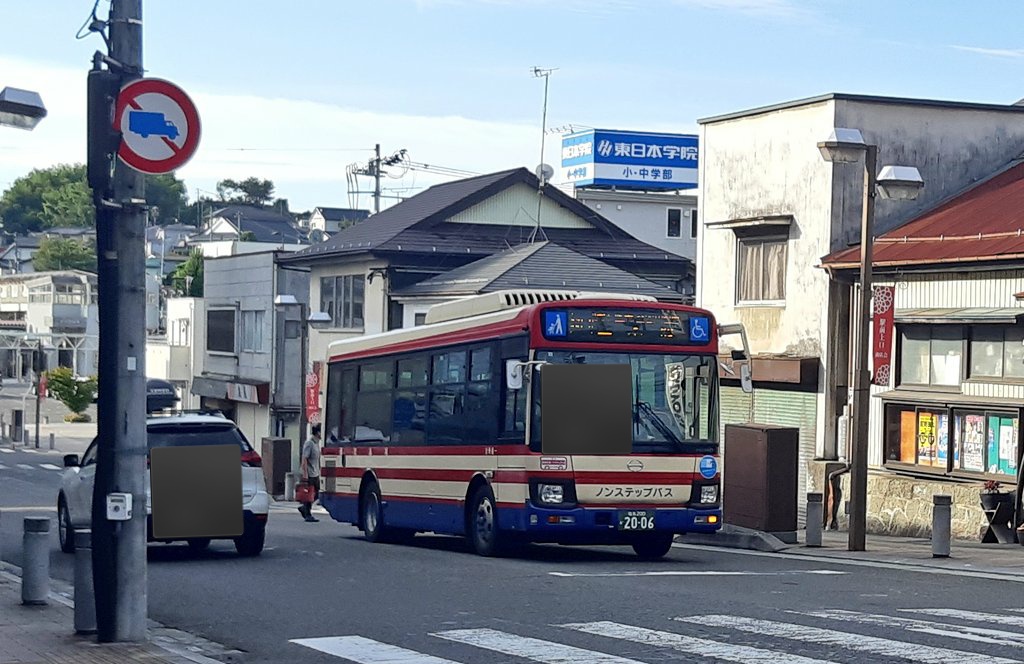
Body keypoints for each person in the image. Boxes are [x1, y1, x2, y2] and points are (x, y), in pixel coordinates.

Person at [299, 424, 322, 522]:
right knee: (309, 494)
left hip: (315, 472)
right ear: (318, 433)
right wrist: (305, 473)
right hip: (309, 472)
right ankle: (307, 513)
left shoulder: (316, 443)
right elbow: (304, 458)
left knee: (316, 492)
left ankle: (304, 508)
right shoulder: (309, 443)